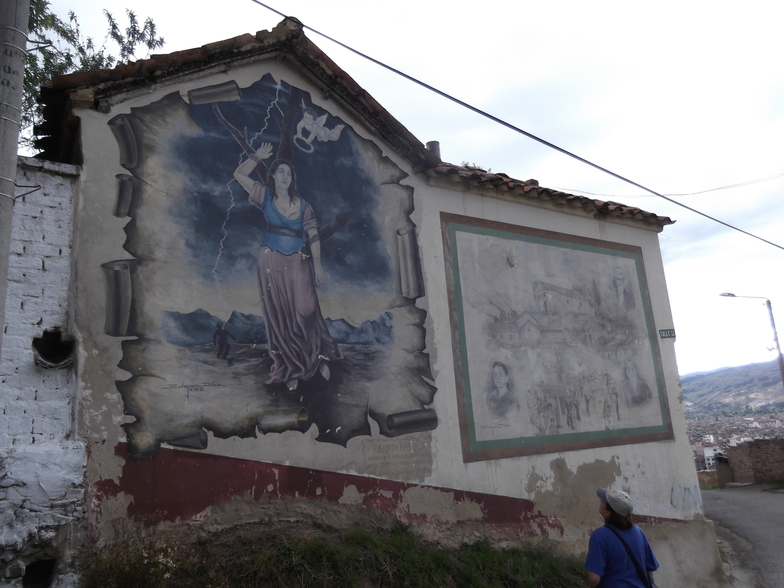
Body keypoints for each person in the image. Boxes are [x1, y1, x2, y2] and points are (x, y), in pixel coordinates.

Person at [233, 142, 342, 390]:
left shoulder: (304, 206)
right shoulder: (264, 196)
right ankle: (292, 366)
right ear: (273, 175)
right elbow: (239, 175)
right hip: (270, 260)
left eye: (288, 173)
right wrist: (256, 157)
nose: (284, 176)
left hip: (299, 261)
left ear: (293, 179)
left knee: (306, 309)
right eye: (280, 171)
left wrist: (318, 264)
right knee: (280, 316)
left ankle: (317, 356)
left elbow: (313, 235)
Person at [585, 488, 658, 587]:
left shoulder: (600, 536)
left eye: (604, 501)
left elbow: (594, 578)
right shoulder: (638, 532)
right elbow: (651, 565)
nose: (601, 501)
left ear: (608, 513)